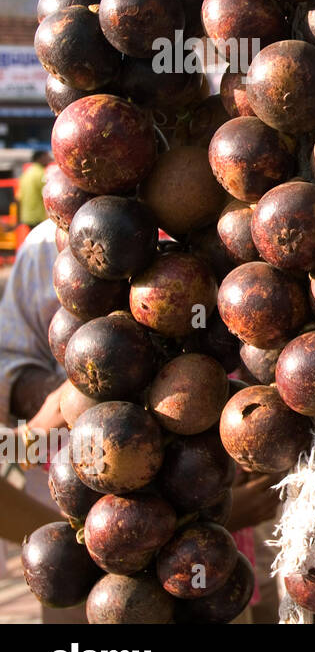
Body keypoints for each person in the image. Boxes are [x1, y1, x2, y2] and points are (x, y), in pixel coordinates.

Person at [0, 219, 281, 621]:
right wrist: (52, 415)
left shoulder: (227, 230)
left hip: (212, 529)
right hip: (100, 549)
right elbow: (17, 406)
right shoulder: (44, 248)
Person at [15, 151, 50, 239]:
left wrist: (18, 218)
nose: (50, 159)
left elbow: (18, 197)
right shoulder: (40, 174)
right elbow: (48, 195)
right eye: (47, 157)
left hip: (27, 217)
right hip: (39, 217)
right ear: (40, 159)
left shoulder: (25, 174)